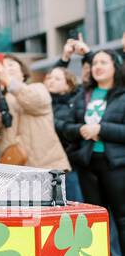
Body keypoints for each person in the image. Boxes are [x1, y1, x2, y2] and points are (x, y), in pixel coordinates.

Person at [64, 49, 125, 256]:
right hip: (88, 163)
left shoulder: (122, 95)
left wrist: (101, 129)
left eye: (103, 62)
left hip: (116, 165)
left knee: (122, 219)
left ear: (115, 66)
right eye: (95, 62)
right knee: (95, 221)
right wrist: (80, 130)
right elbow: (65, 125)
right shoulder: (83, 95)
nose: (98, 66)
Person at [0, 54, 72, 172]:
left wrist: (9, 82)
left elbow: (34, 100)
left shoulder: (38, 88)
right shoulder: (3, 99)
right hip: (14, 165)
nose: (6, 69)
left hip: (44, 166)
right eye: (3, 66)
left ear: (23, 73)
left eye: (11, 65)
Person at [45, 64, 83, 200]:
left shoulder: (75, 103)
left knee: (73, 203)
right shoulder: (44, 102)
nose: (51, 80)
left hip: (68, 163)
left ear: (68, 85)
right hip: (47, 162)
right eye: (50, 77)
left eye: (57, 78)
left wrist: (48, 122)